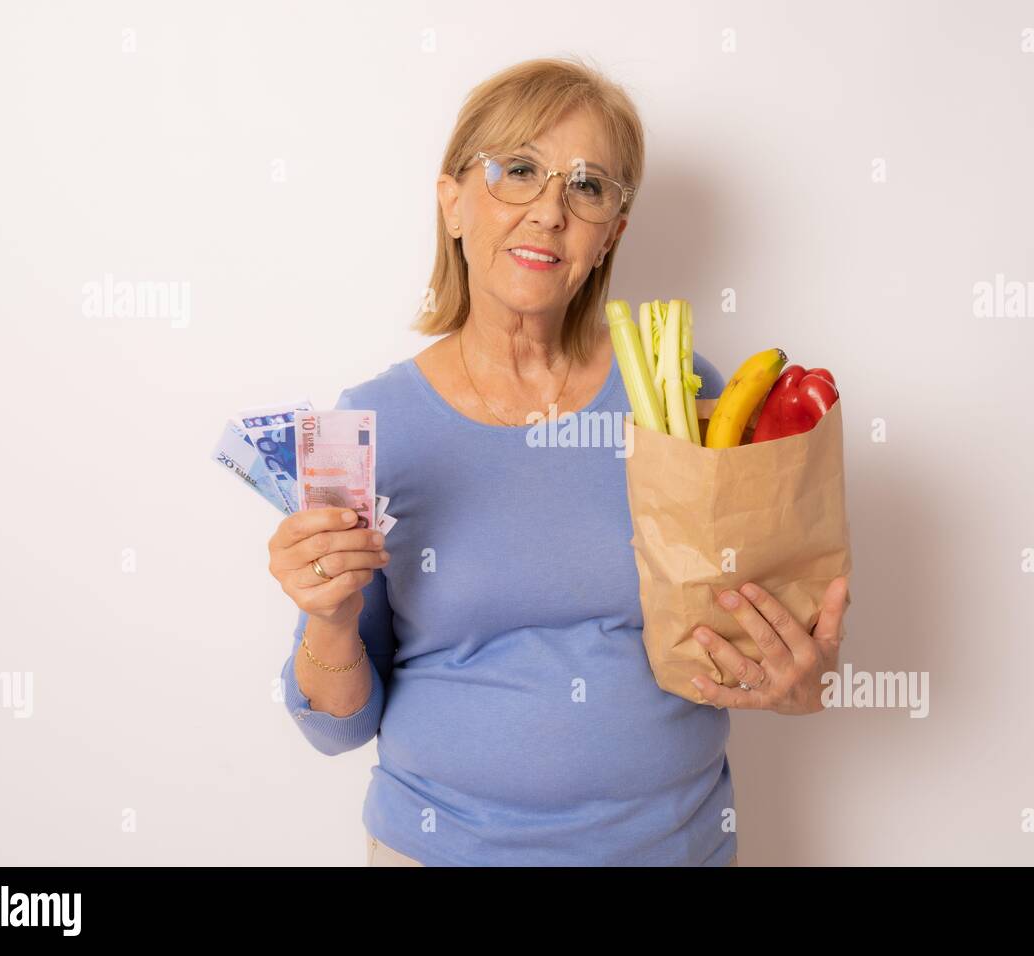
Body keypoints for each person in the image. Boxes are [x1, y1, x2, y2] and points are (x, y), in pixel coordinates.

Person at [266, 56, 848, 867]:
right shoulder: (371, 424)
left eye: (587, 186)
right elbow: (336, 725)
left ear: (614, 229)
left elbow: (757, 643)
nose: (549, 211)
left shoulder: (680, 396)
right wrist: (327, 612)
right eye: (519, 171)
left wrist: (799, 676)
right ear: (452, 202)